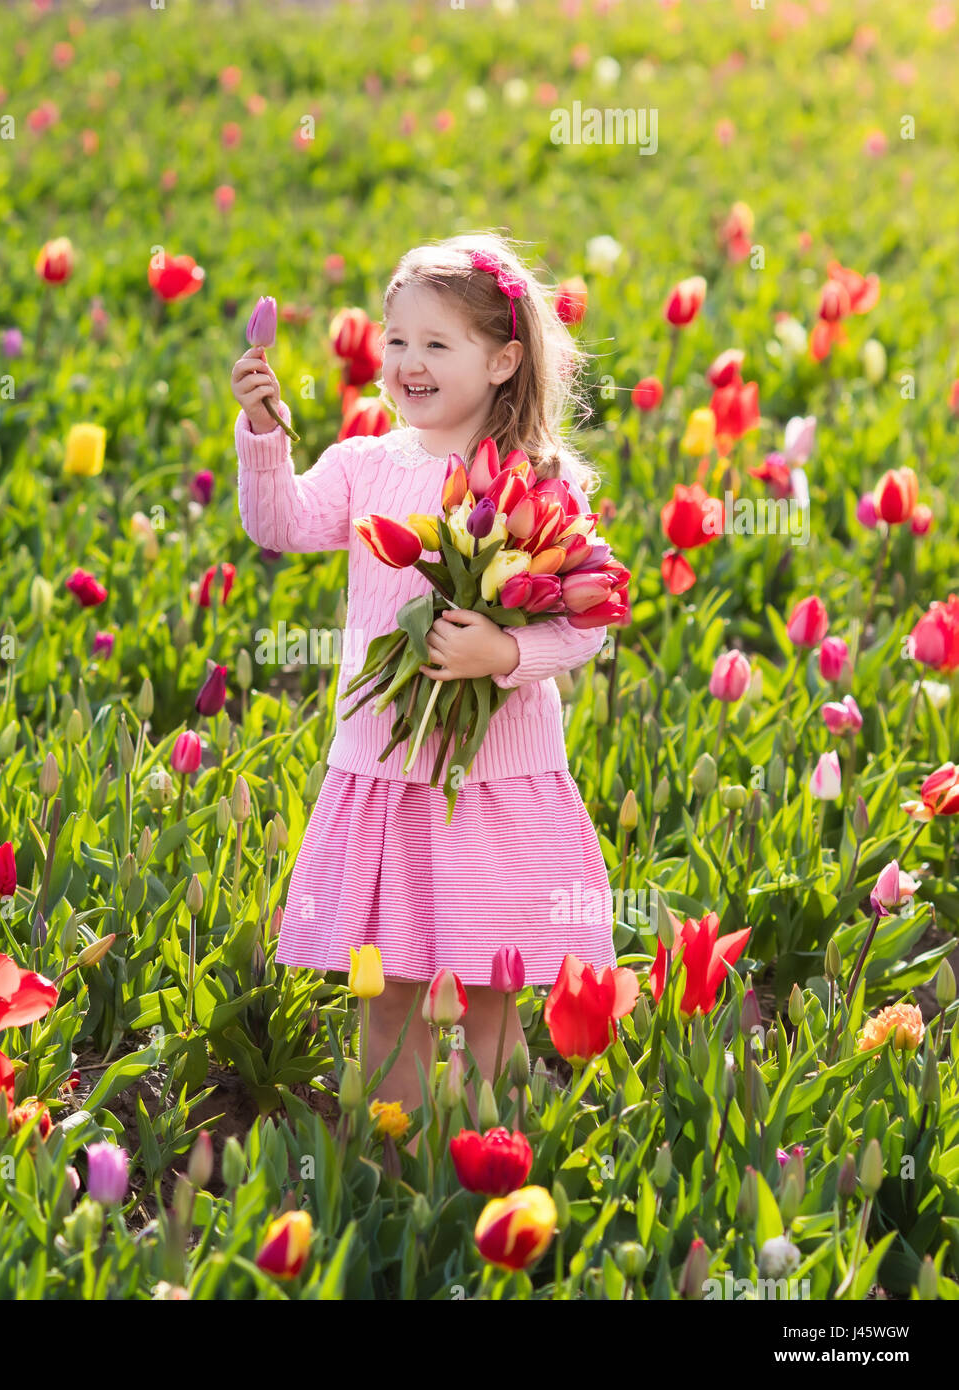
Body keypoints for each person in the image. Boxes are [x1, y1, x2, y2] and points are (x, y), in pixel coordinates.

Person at [229, 231, 615, 1150]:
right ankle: (391, 1169)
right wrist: (262, 432)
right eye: (397, 341)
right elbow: (279, 524)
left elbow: (585, 623)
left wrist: (501, 655)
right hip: (388, 776)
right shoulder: (367, 463)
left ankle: (491, 1164)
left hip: (495, 783)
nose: (408, 363)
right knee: (388, 986)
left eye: (437, 345)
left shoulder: (544, 480)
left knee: (492, 987)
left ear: (503, 358)